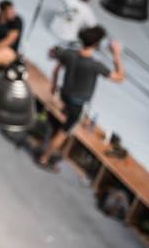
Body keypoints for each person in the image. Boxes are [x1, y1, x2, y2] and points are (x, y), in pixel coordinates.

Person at [37, 26, 125, 169]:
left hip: (65, 93)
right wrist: (117, 55)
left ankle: (50, 139)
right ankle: (44, 158)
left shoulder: (69, 54)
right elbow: (120, 77)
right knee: (64, 132)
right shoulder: (96, 65)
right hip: (77, 103)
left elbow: (56, 69)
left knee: (64, 118)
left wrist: (53, 85)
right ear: (96, 44)